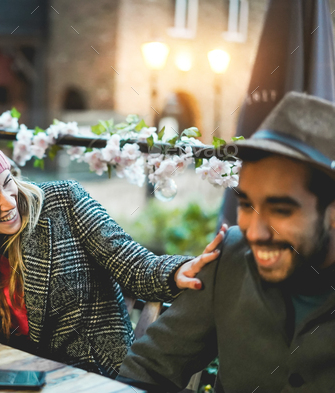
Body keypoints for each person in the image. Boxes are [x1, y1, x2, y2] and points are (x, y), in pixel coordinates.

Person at [0, 102, 225, 377]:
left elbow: (134, 264)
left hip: (93, 379)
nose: (9, 202)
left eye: (7, 181)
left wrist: (176, 271)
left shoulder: (63, 202)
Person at [117, 92, 335, 392]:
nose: (255, 232)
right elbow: (148, 369)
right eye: (246, 205)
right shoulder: (230, 255)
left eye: (281, 210)